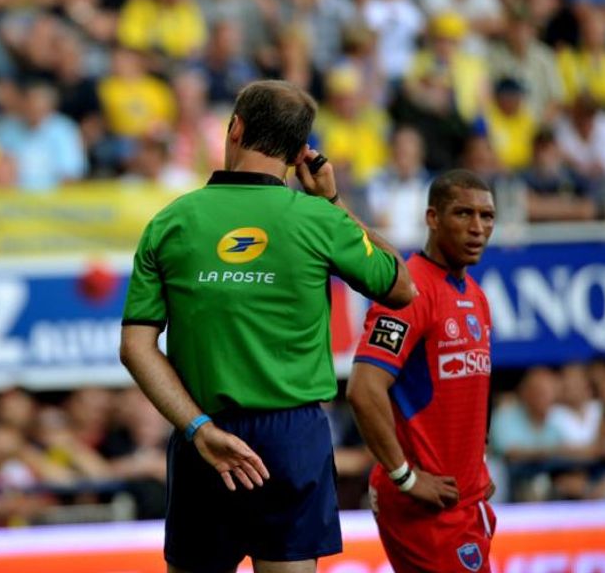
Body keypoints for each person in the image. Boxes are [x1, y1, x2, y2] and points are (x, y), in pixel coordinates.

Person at [120, 80, 415, 573]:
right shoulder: (320, 220)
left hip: (203, 434)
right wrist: (334, 202)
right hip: (293, 436)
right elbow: (402, 286)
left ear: (235, 129)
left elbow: (135, 347)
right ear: (302, 152)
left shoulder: (171, 222)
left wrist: (197, 428)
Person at [347, 170, 498, 573]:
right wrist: (406, 477)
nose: (477, 228)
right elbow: (363, 390)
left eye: (487, 217)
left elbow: (466, 395)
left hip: (464, 501)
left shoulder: (476, 297)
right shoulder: (410, 292)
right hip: (426, 508)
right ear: (432, 218)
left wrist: (475, 468)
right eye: (463, 214)